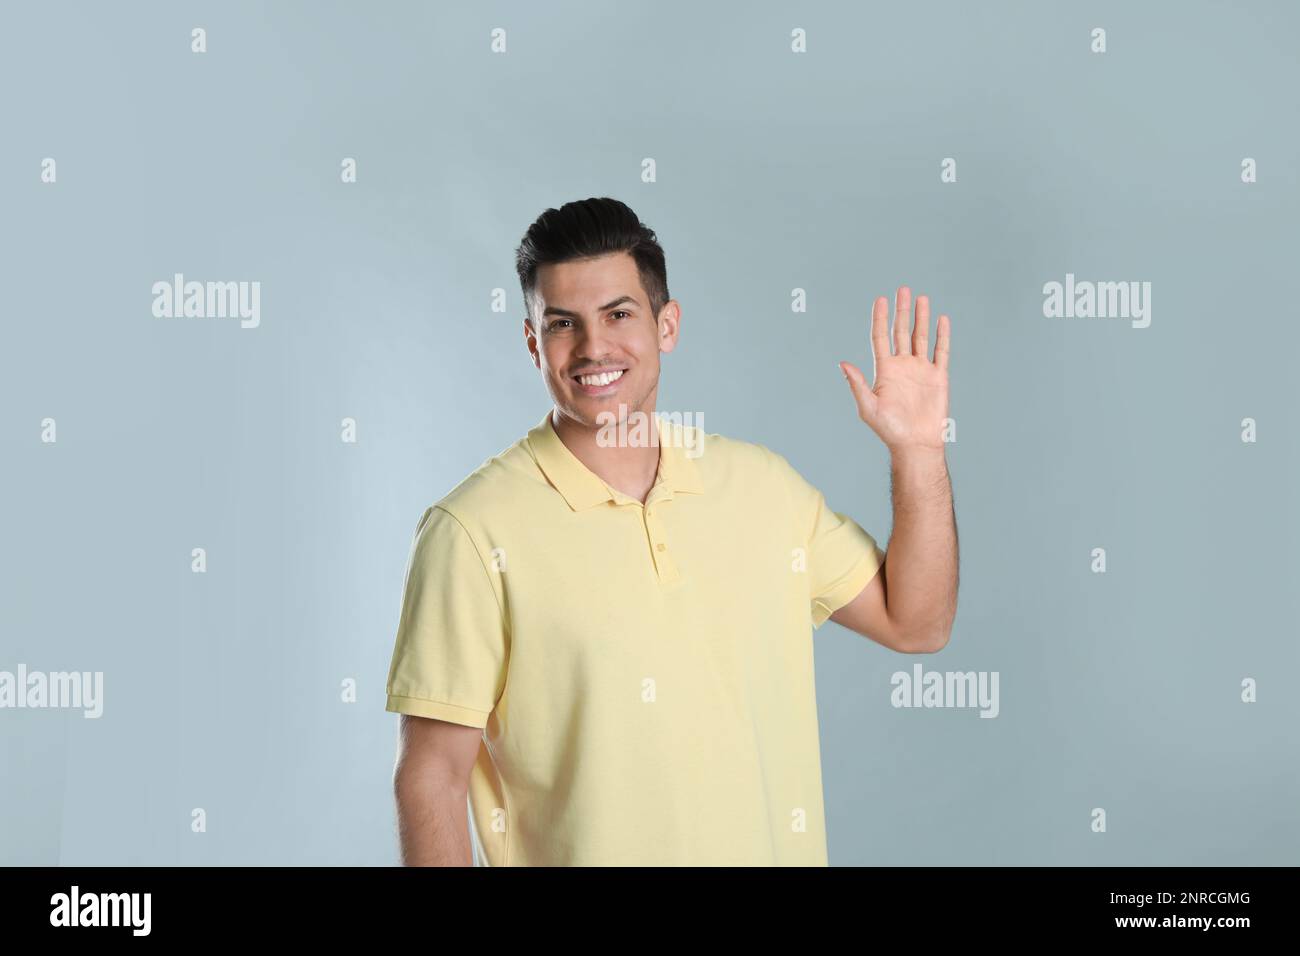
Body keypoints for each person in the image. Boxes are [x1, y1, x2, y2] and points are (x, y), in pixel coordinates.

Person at [386, 197, 958, 866]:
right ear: (532, 341)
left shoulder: (763, 488)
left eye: (619, 314)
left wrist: (918, 454)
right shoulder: (472, 531)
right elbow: (433, 774)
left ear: (668, 324)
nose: (594, 347)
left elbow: (917, 624)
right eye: (563, 323)